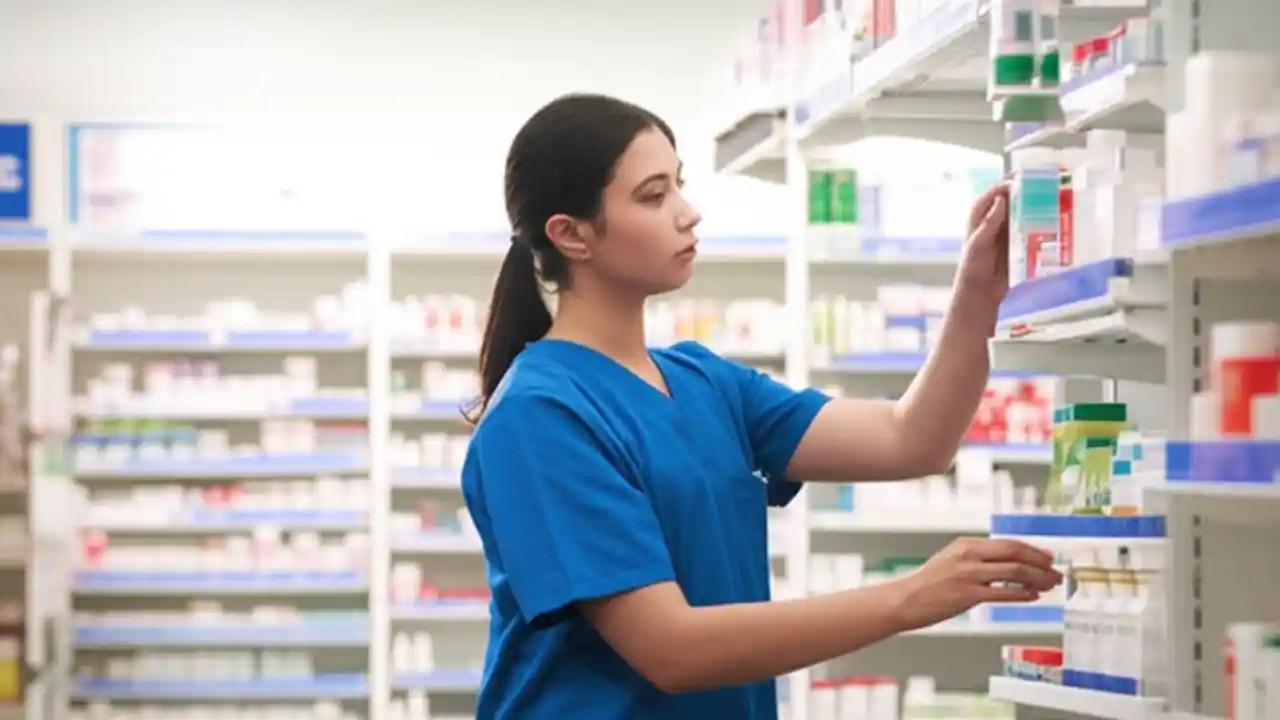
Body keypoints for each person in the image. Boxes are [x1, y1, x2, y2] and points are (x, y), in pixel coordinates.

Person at [460, 93, 1061, 719]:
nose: (688, 214)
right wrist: (910, 597)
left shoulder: (702, 381)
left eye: (680, 186)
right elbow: (670, 650)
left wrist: (976, 294)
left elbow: (912, 439)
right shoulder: (540, 417)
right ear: (571, 235)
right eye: (653, 195)